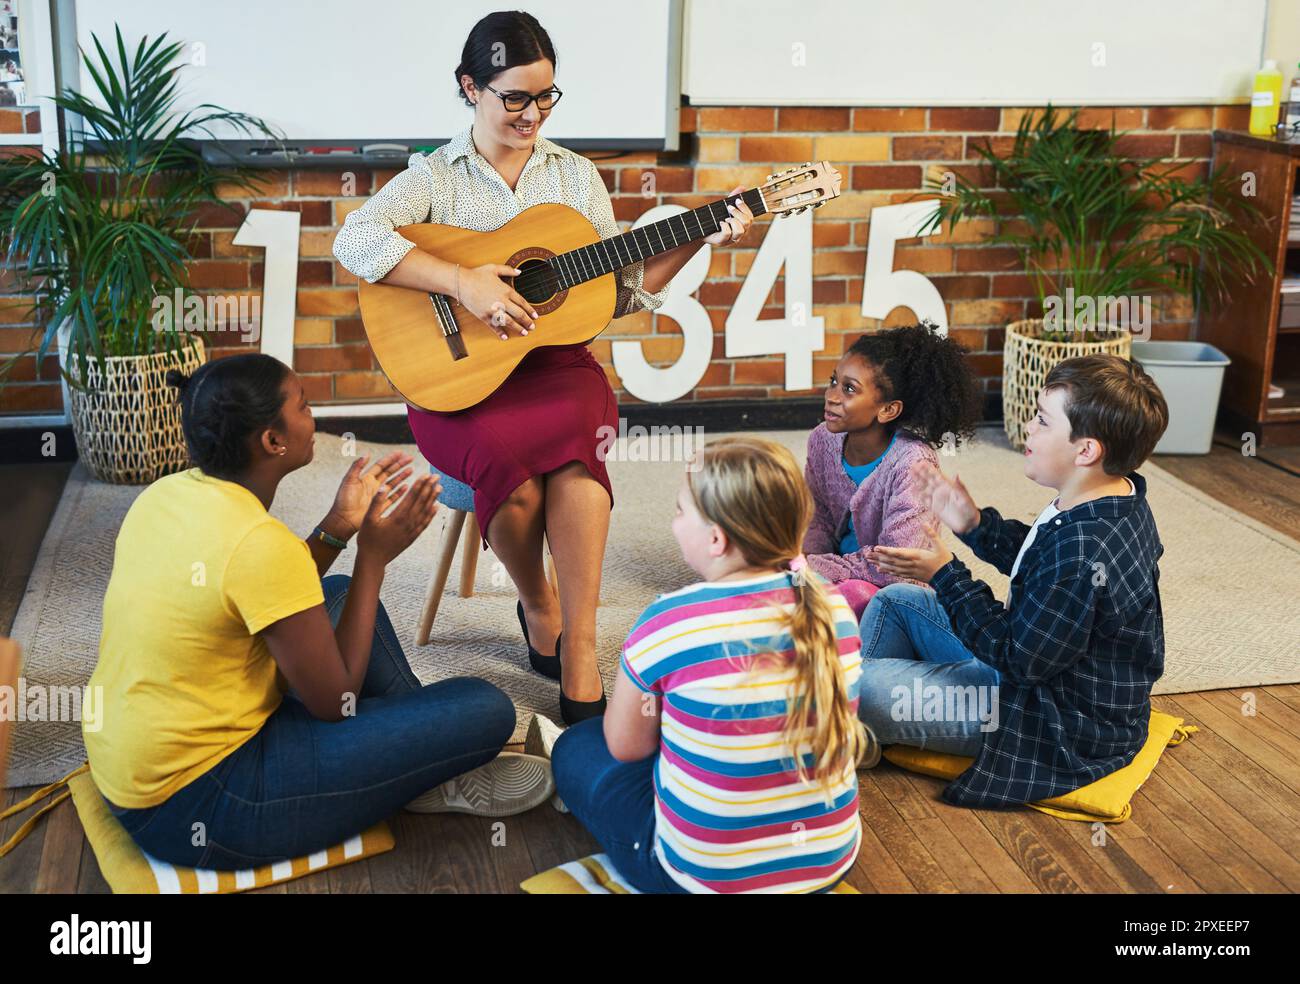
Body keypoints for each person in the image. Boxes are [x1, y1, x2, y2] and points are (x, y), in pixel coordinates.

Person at [332, 11, 754, 725]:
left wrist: (702, 233)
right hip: (456, 383)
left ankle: (582, 652)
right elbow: (357, 239)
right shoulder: (433, 177)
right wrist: (463, 284)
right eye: (515, 98)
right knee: (516, 488)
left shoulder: (574, 176)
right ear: (470, 88)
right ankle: (539, 605)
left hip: (554, 367)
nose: (533, 114)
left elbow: (617, 291)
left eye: (546, 97)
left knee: (579, 464)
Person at [83, 354, 553, 870]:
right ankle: (423, 762)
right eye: (303, 405)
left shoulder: (164, 495)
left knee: (335, 590)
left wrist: (340, 523)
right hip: (203, 803)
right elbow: (339, 703)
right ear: (271, 441)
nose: (315, 414)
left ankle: (417, 756)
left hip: (133, 770)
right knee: (486, 707)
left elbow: (266, 587)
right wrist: (374, 555)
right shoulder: (260, 544)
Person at [551, 437, 873, 893]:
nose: (674, 521)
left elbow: (625, 749)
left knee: (576, 748)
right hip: (827, 865)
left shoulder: (668, 618)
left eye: (682, 511)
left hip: (700, 880)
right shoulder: (832, 607)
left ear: (717, 539)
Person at [857, 354, 1170, 807]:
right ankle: (862, 720)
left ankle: (856, 716)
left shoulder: (1084, 551)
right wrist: (973, 524)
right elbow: (1038, 558)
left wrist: (946, 574)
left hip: (1043, 721)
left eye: (1043, 421)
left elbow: (1016, 659)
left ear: (1086, 451)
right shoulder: (1114, 494)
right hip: (1040, 676)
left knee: (859, 685)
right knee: (897, 601)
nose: (1028, 426)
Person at [803, 321, 982, 617]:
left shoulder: (913, 464)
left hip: (894, 590)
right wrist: (807, 560)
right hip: (836, 570)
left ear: (888, 410)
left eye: (849, 389)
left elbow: (896, 565)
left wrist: (816, 568)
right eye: (833, 381)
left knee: (854, 598)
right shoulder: (822, 440)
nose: (832, 395)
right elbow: (816, 515)